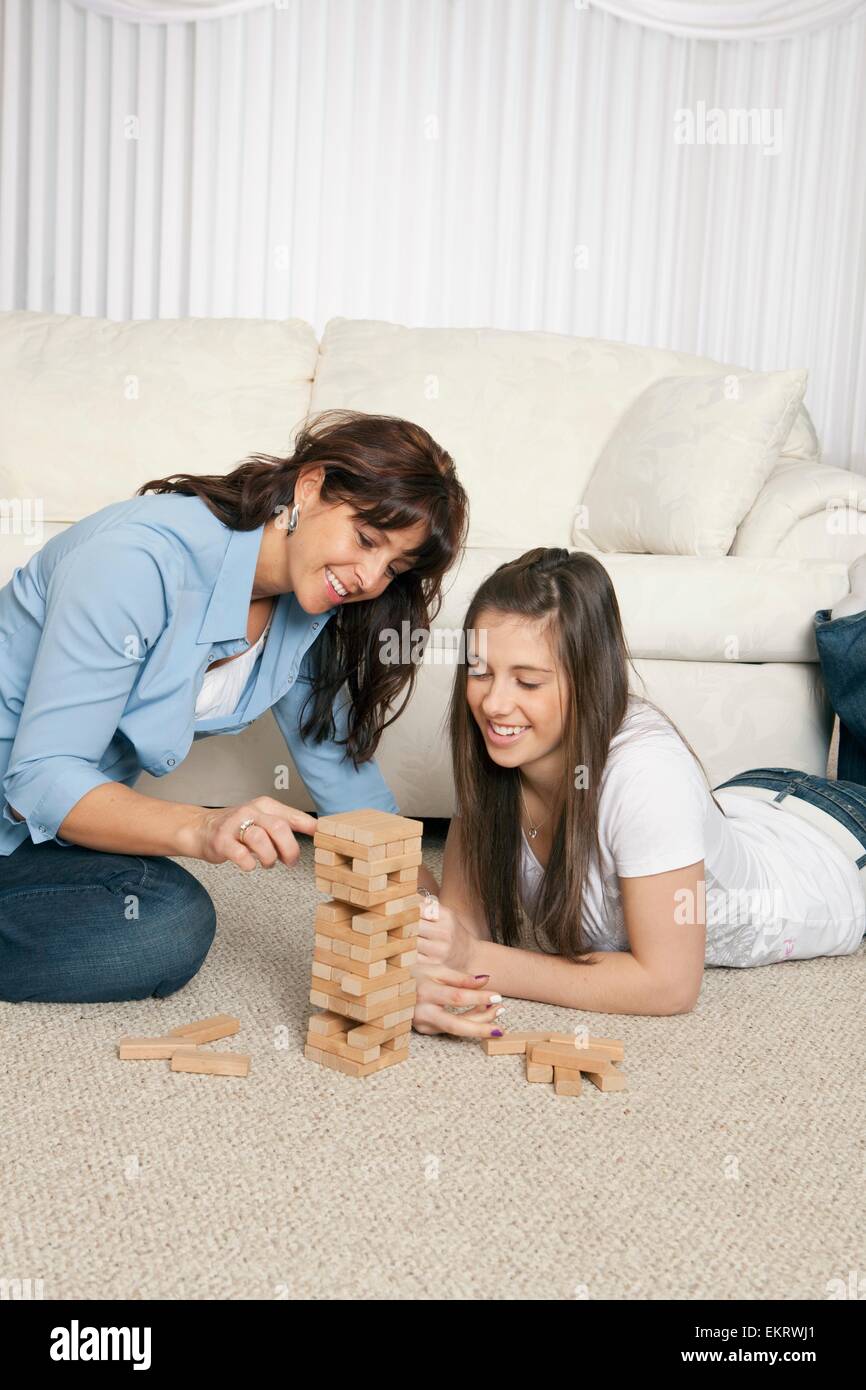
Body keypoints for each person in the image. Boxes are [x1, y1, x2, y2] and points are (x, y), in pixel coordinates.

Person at [0, 408, 478, 1006]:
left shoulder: (311, 602)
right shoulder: (137, 561)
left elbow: (338, 767)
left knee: (163, 917)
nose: (369, 578)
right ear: (310, 487)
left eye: (395, 567)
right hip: (24, 805)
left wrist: (419, 910)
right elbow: (41, 779)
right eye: (366, 539)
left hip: (40, 840)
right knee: (161, 927)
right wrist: (203, 827)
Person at [412, 548, 866, 1034]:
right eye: (480, 672)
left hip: (837, 848)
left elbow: (668, 984)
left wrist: (476, 959)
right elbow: (459, 928)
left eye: (527, 681)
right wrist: (423, 954)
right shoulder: (500, 749)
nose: (495, 703)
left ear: (589, 682)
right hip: (750, 798)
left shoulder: (648, 775)